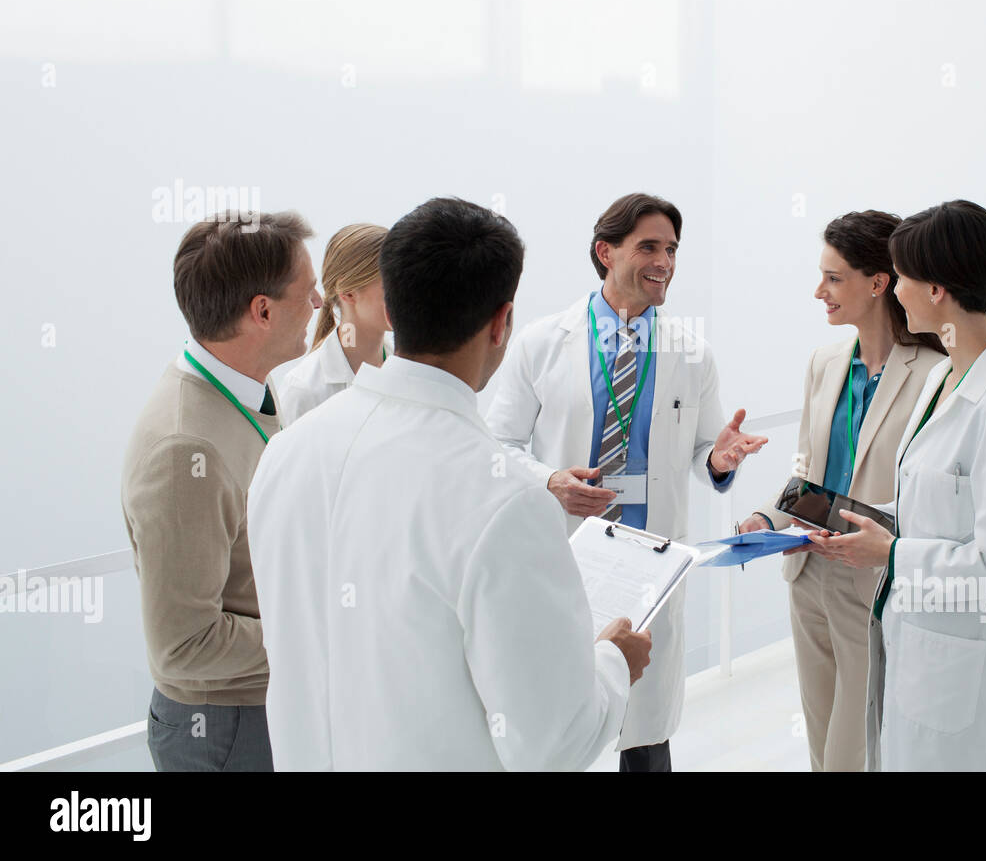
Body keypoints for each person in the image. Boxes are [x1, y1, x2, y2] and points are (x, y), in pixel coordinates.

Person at [246, 197, 651, 771]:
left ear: (395, 306)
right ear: (501, 323)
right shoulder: (507, 501)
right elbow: (553, 742)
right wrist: (613, 660)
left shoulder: (285, 454)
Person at [485, 192, 767, 772]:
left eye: (671, 249)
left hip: (649, 562)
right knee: (556, 721)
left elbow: (702, 449)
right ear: (605, 252)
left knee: (643, 732)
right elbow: (499, 445)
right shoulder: (541, 343)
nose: (664, 261)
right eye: (649, 247)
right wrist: (551, 480)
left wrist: (719, 459)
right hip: (565, 553)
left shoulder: (693, 353)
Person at [792, 199, 986, 771]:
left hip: (966, 665)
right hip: (919, 641)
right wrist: (869, 519)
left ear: (935, 289)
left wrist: (891, 552)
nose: (898, 291)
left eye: (904, 278)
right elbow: (927, 502)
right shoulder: (943, 378)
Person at [737, 210, 946, 772]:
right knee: (822, 731)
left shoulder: (934, 373)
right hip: (808, 572)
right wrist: (765, 518)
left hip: (875, 579)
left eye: (833, 278)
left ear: (879, 283)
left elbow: (932, 497)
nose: (818, 291)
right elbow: (805, 470)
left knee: (860, 742)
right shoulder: (824, 362)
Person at [120, 210, 321, 771]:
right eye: (308, 293)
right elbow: (183, 645)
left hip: (257, 706)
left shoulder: (248, 386)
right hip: (227, 728)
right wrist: (319, 633)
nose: (320, 304)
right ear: (262, 311)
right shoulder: (186, 451)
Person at [278, 223, 391, 425]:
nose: (405, 295)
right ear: (347, 293)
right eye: (391, 284)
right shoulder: (303, 391)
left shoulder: (407, 372)